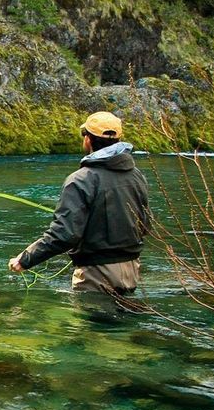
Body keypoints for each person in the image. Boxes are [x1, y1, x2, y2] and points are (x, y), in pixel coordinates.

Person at [8, 111, 150, 295]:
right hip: (131, 269)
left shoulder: (81, 180)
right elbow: (145, 225)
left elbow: (64, 234)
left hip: (97, 274)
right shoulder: (136, 175)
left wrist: (25, 259)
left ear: (88, 140)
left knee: (91, 322)